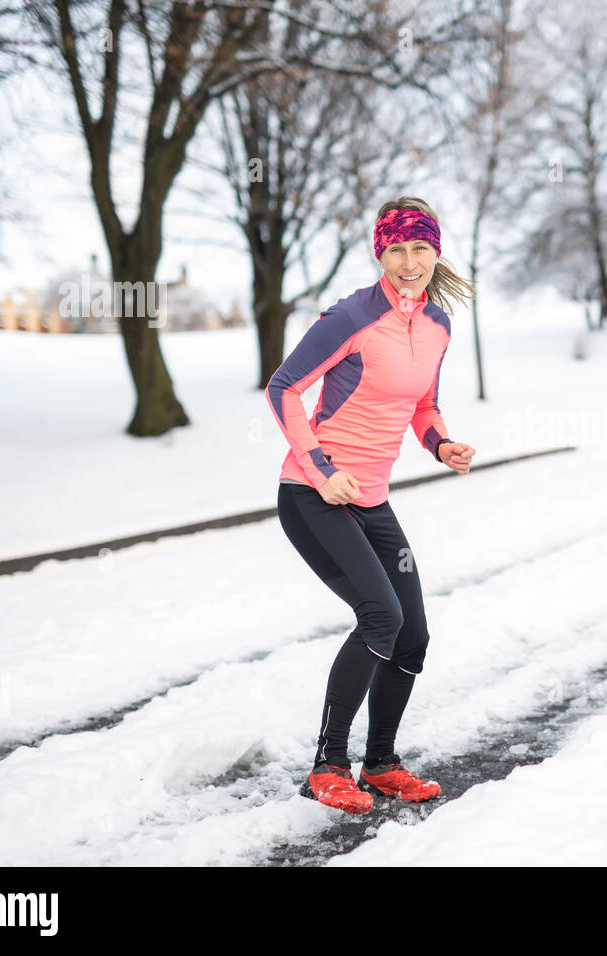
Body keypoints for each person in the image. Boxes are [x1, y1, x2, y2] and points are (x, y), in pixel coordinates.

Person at [265, 197, 476, 814]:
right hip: (313, 495)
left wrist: (442, 444)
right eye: (397, 249)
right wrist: (322, 469)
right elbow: (284, 387)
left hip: (372, 500)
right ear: (379, 253)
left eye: (421, 249)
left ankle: (380, 764)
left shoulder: (436, 325)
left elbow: (421, 406)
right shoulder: (351, 316)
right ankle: (327, 767)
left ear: (436, 252)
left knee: (412, 634)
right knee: (380, 616)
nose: (409, 262)